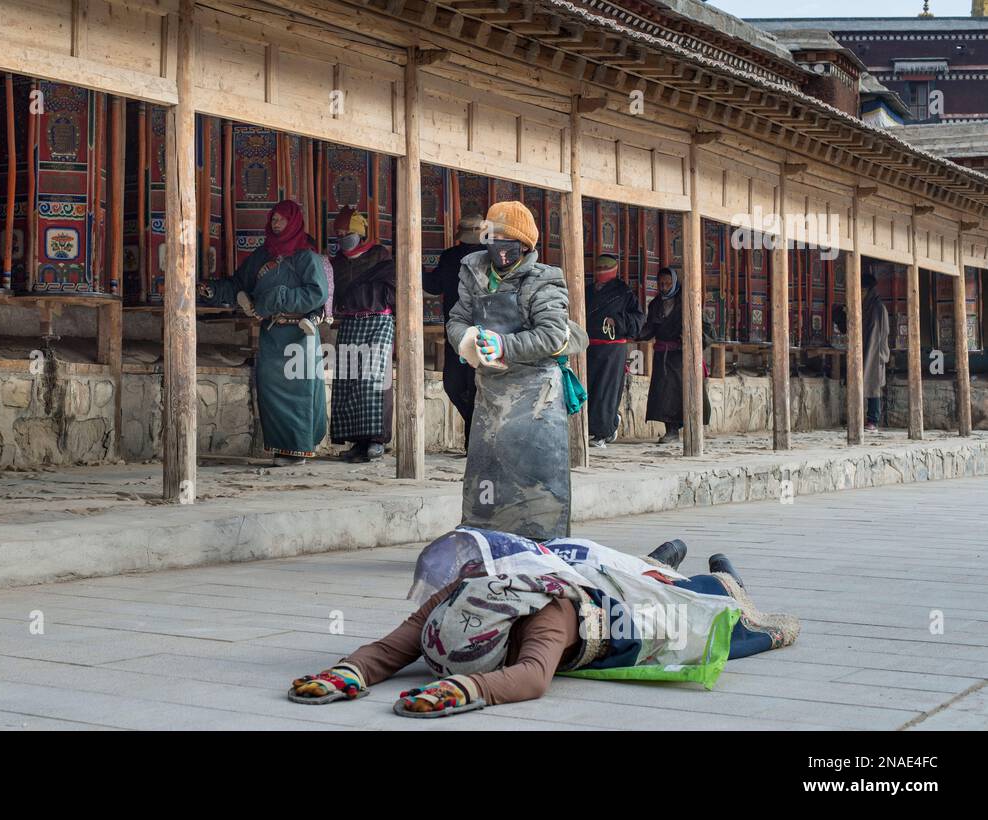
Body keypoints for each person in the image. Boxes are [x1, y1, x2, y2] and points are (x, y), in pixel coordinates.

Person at [286, 528, 798, 718]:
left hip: (631, 619)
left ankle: (722, 576)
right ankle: (660, 558)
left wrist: (463, 690)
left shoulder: (546, 614)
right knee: (629, 570)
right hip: (588, 583)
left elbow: (533, 677)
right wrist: (345, 674)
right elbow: (392, 648)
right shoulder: (456, 595)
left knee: (711, 613)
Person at [446, 201, 580, 540]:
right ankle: (483, 538)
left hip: (537, 394)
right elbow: (458, 318)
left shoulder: (545, 280)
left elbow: (551, 334)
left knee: (534, 478)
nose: (498, 246)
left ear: (524, 245)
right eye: (492, 236)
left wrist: (505, 345)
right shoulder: (473, 272)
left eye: (507, 239)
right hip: (491, 392)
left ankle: (540, 543)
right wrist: (469, 341)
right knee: (487, 472)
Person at [200, 200, 328, 466]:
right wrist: (212, 291)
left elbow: (317, 294)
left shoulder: (307, 257)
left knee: (299, 391)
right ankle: (282, 448)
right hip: (271, 334)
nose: (276, 223)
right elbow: (239, 284)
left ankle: (298, 450)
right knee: (271, 393)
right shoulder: (261, 256)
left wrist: (278, 298)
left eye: (281, 219)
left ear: (293, 221)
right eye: (273, 219)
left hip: (299, 336)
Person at [328, 207, 396, 462]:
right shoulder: (338, 263)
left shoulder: (380, 257)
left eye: (347, 232)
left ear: (360, 233)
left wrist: (368, 295)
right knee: (348, 381)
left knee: (373, 380)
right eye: (339, 233)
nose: (343, 236)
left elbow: (392, 287)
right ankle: (357, 441)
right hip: (350, 323)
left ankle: (376, 440)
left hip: (378, 320)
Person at [423, 215, 486, 449]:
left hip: (482, 331)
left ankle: (474, 442)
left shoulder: (490, 257)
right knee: (453, 384)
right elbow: (434, 285)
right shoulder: (449, 257)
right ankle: (473, 428)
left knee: (476, 386)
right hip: (455, 330)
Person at [637, 266, 713, 444]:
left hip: (682, 356)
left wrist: (689, 340)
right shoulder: (655, 304)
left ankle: (689, 428)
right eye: (661, 283)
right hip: (662, 356)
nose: (664, 287)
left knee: (683, 392)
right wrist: (634, 332)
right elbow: (650, 328)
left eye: (667, 283)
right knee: (664, 394)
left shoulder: (687, 302)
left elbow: (707, 329)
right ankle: (670, 431)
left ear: (675, 282)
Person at [585, 253, 645, 447]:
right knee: (590, 389)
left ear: (614, 270)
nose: (601, 273)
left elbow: (638, 319)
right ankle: (604, 425)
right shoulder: (587, 291)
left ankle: (602, 433)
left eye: (605, 269)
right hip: (589, 347)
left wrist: (616, 321)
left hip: (612, 350)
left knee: (606, 390)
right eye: (598, 269)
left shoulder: (624, 292)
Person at [861, 272, 890, 433]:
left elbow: (876, 334)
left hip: (875, 351)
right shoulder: (868, 306)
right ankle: (867, 418)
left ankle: (873, 420)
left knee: (874, 385)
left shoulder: (877, 308)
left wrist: (871, 356)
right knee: (871, 383)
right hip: (867, 350)